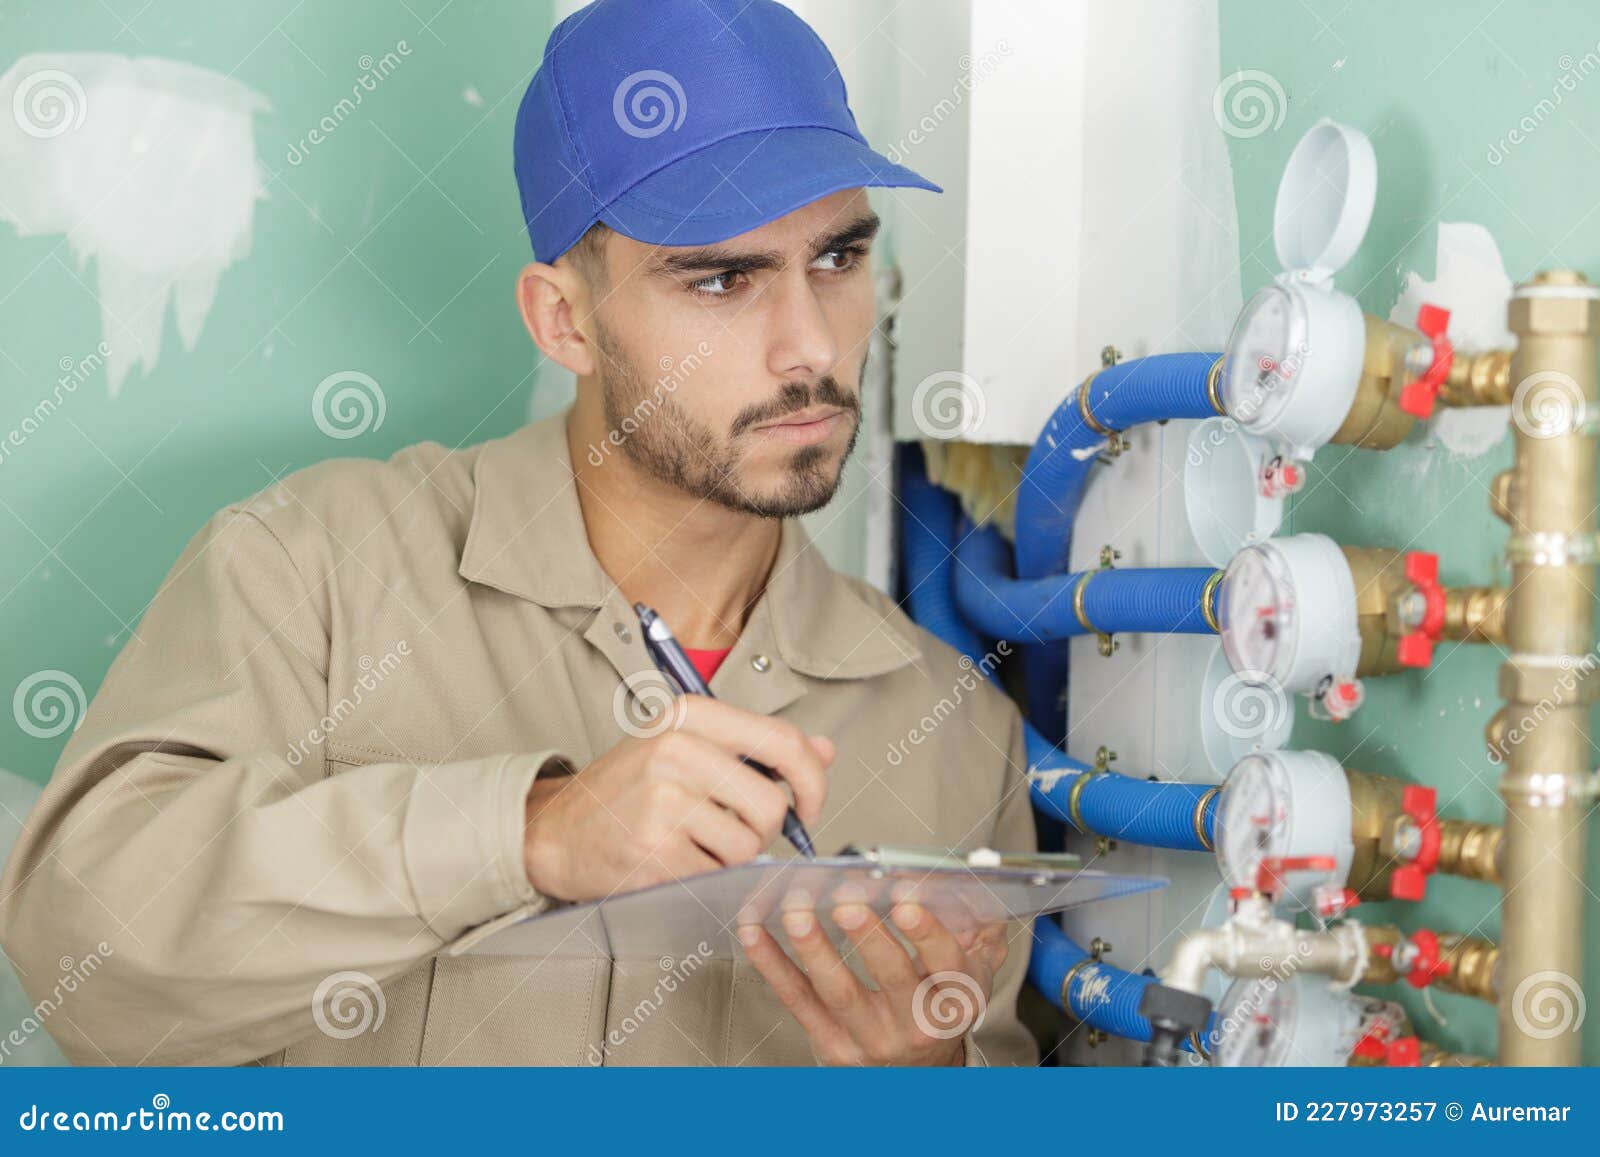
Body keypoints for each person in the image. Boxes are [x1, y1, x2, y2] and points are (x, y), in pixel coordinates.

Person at [0, 0, 1037, 1067]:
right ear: (564, 320)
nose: (809, 345)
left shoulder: (951, 731)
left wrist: (919, 1083)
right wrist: (529, 832)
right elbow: (83, 953)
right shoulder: (310, 568)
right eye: (723, 278)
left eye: (836, 258)